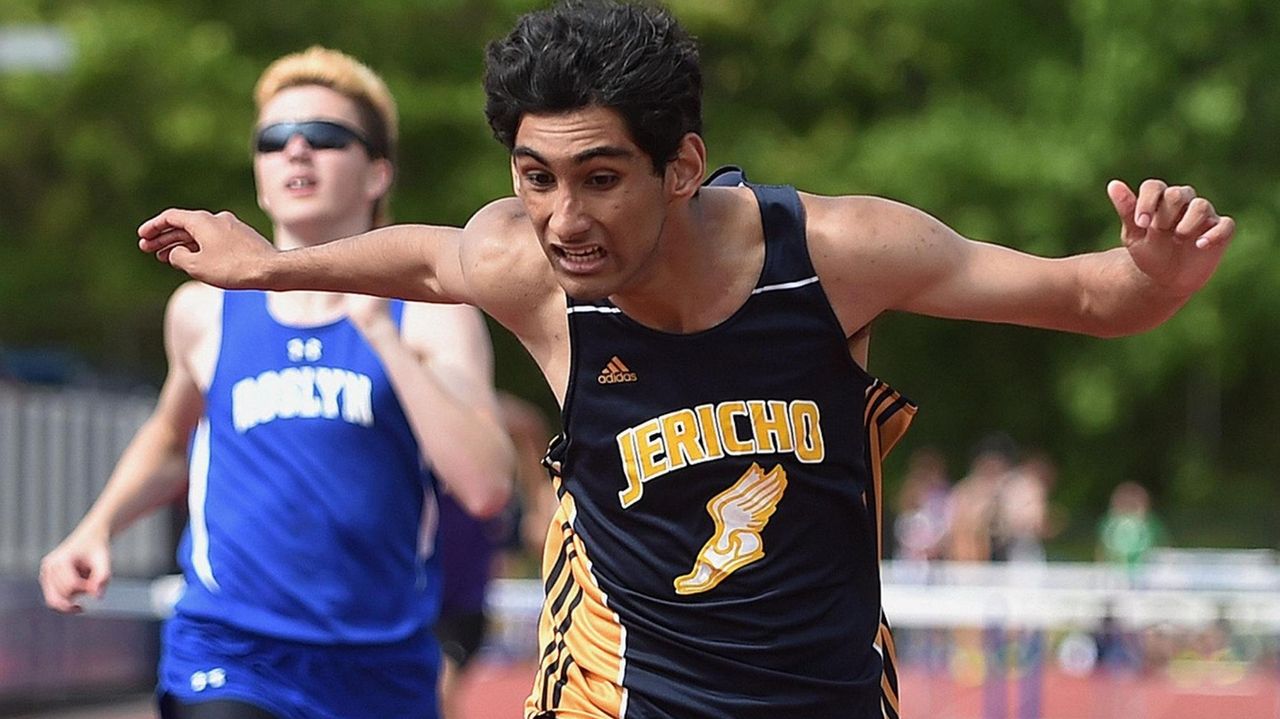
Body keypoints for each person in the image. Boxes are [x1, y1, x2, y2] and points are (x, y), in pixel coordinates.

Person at [135, 2, 1235, 717]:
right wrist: (262, 267)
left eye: (599, 177)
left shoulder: (833, 256)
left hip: (825, 688)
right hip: (618, 686)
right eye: (534, 175)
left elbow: (1088, 295)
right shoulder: (526, 266)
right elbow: (427, 259)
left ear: (681, 164)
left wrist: (1156, 273)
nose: (563, 217)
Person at [40, 46, 514, 719]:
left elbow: (486, 486)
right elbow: (172, 438)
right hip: (230, 651)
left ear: (378, 171)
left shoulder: (433, 315)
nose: (296, 150)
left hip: (379, 667)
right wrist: (97, 525)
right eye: (274, 140)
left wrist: (378, 329)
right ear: (260, 175)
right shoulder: (203, 311)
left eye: (324, 136)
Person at [435, 391, 555, 719]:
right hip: (411, 591)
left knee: (439, 686)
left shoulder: (476, 409)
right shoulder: (399, 409)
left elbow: (527, 423)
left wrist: (538, 500)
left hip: (463, 599)